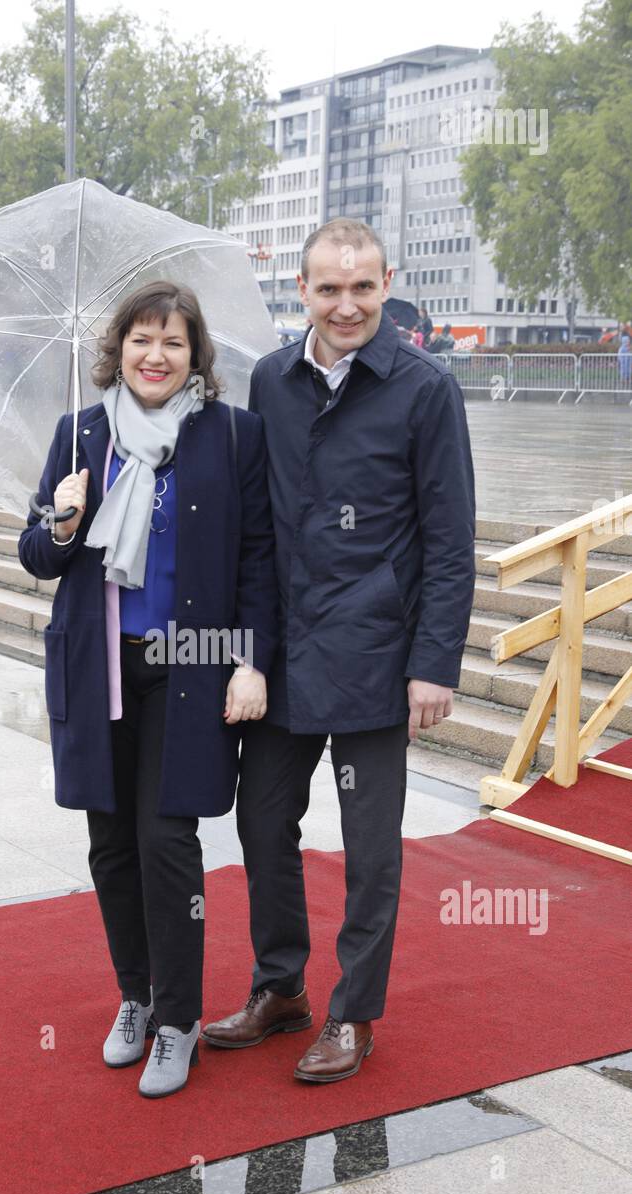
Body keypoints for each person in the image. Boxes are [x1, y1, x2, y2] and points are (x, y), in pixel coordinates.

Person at [201, 217, 476, 1082]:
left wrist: (434, 661)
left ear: (385, 283)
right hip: (284, 653)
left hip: (375, 656)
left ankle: (354, 1014)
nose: (346, 304)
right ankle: (281, 988)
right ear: (302, 292)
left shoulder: (425, 388)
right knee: (262, 821)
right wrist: (247, 650)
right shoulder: (272, 381)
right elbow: (257, 522)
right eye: (329, 288)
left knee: (370, 848)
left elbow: (451, 538)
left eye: (362, 287)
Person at [17, 281, 278, 1099]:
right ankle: (133, 997)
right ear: (118, 350)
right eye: (140, 340)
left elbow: (260, 560)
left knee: (168, 844)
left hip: (192, 667)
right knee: (110, 846)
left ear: (195, 354)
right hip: (99, 666)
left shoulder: (231, 437)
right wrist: (61, 522)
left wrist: (252, 658)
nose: (155, 356)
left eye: (172, 342)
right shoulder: (81, 435)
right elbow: (37, 555)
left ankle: (177, 1019)